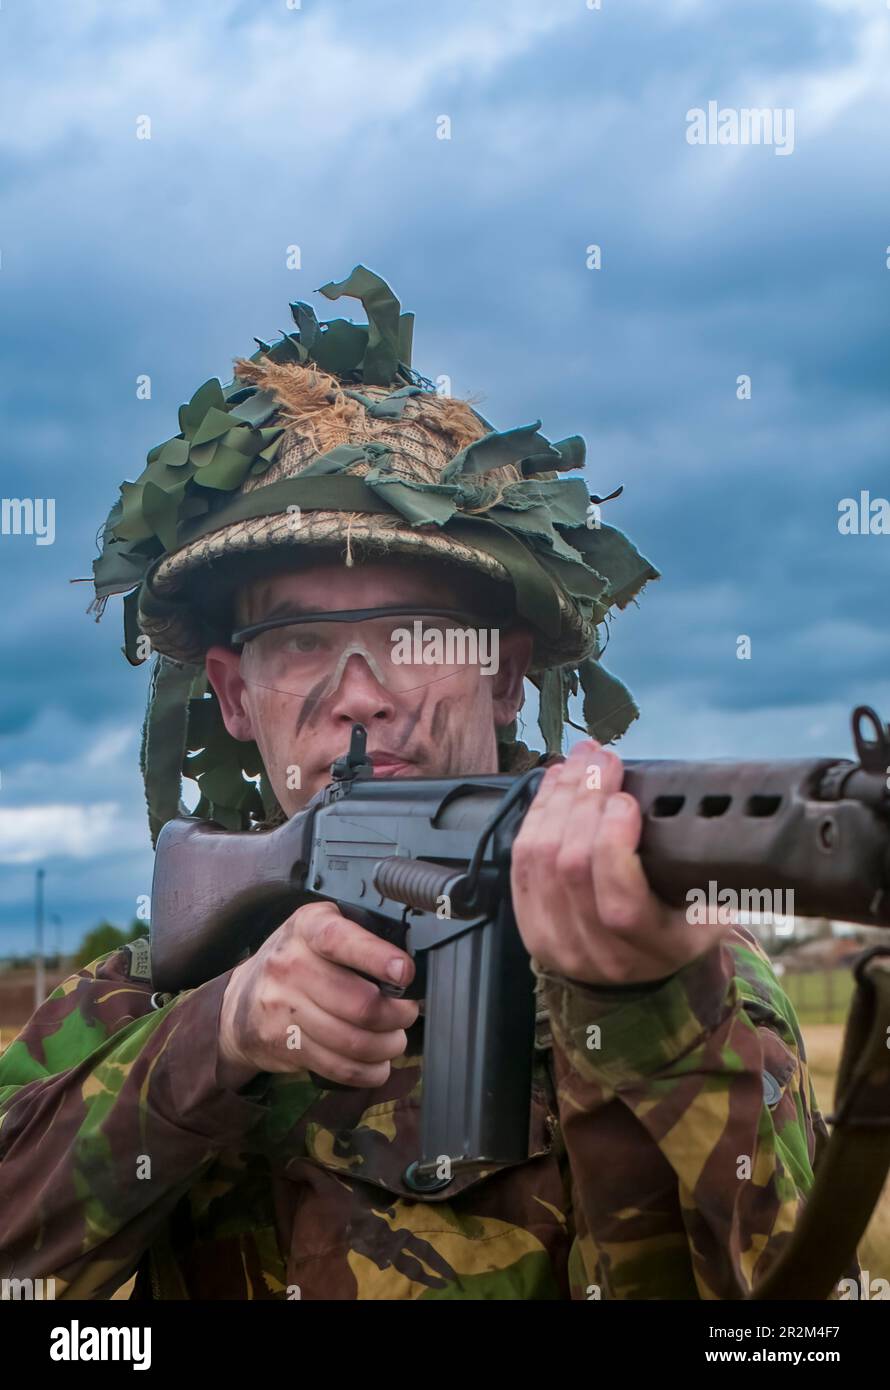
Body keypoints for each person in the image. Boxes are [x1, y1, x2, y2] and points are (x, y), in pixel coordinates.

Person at [0, 268, 825, 1300]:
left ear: (505, 669)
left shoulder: (687, 976)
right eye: (300, 639)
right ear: (232, 692)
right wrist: (218, 1035)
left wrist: (647, 1019)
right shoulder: (159, 990)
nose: (360, 695)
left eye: (410, 633)